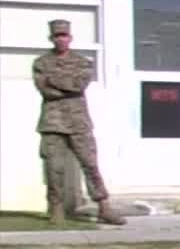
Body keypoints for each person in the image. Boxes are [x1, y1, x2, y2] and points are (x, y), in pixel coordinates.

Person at [33, 19, 126, 225]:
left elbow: (79, 85)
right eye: (57, 36)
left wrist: (55, 80)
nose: (61, 39)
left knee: (90, 164)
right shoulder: (41, 63)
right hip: (52, 122)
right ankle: (55, 208)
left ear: (70, 38)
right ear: (51, 38)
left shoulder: (83, 62)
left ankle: (104, 207)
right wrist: (64, 84)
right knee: (53, 167)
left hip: (79, 122)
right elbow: (44, 90)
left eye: (64, 35)